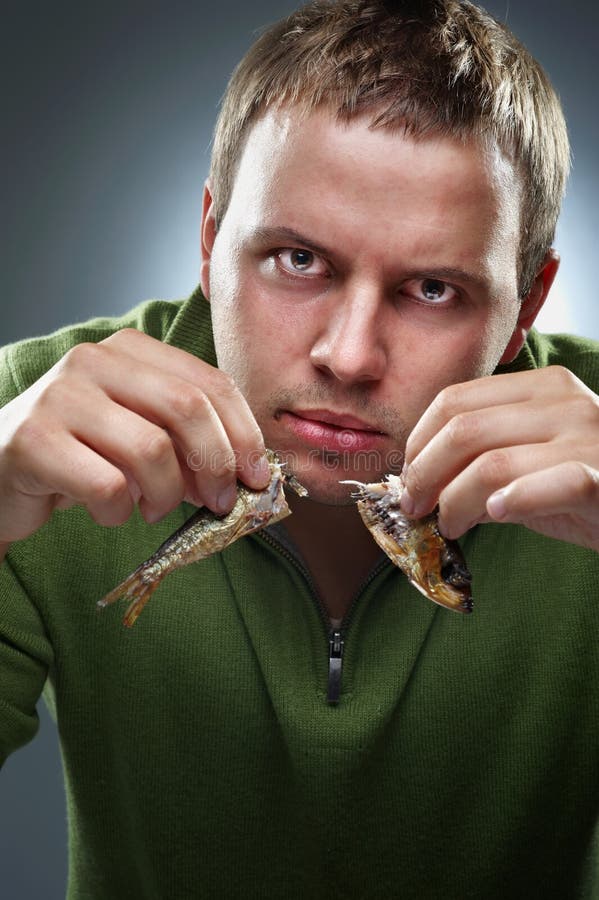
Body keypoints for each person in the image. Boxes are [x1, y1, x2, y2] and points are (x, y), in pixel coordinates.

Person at [1, 0, 598, 896]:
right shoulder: (38, 422)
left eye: (432, 288)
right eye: (298, 261)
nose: (349, 356)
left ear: (527, 303)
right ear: (209, 242)